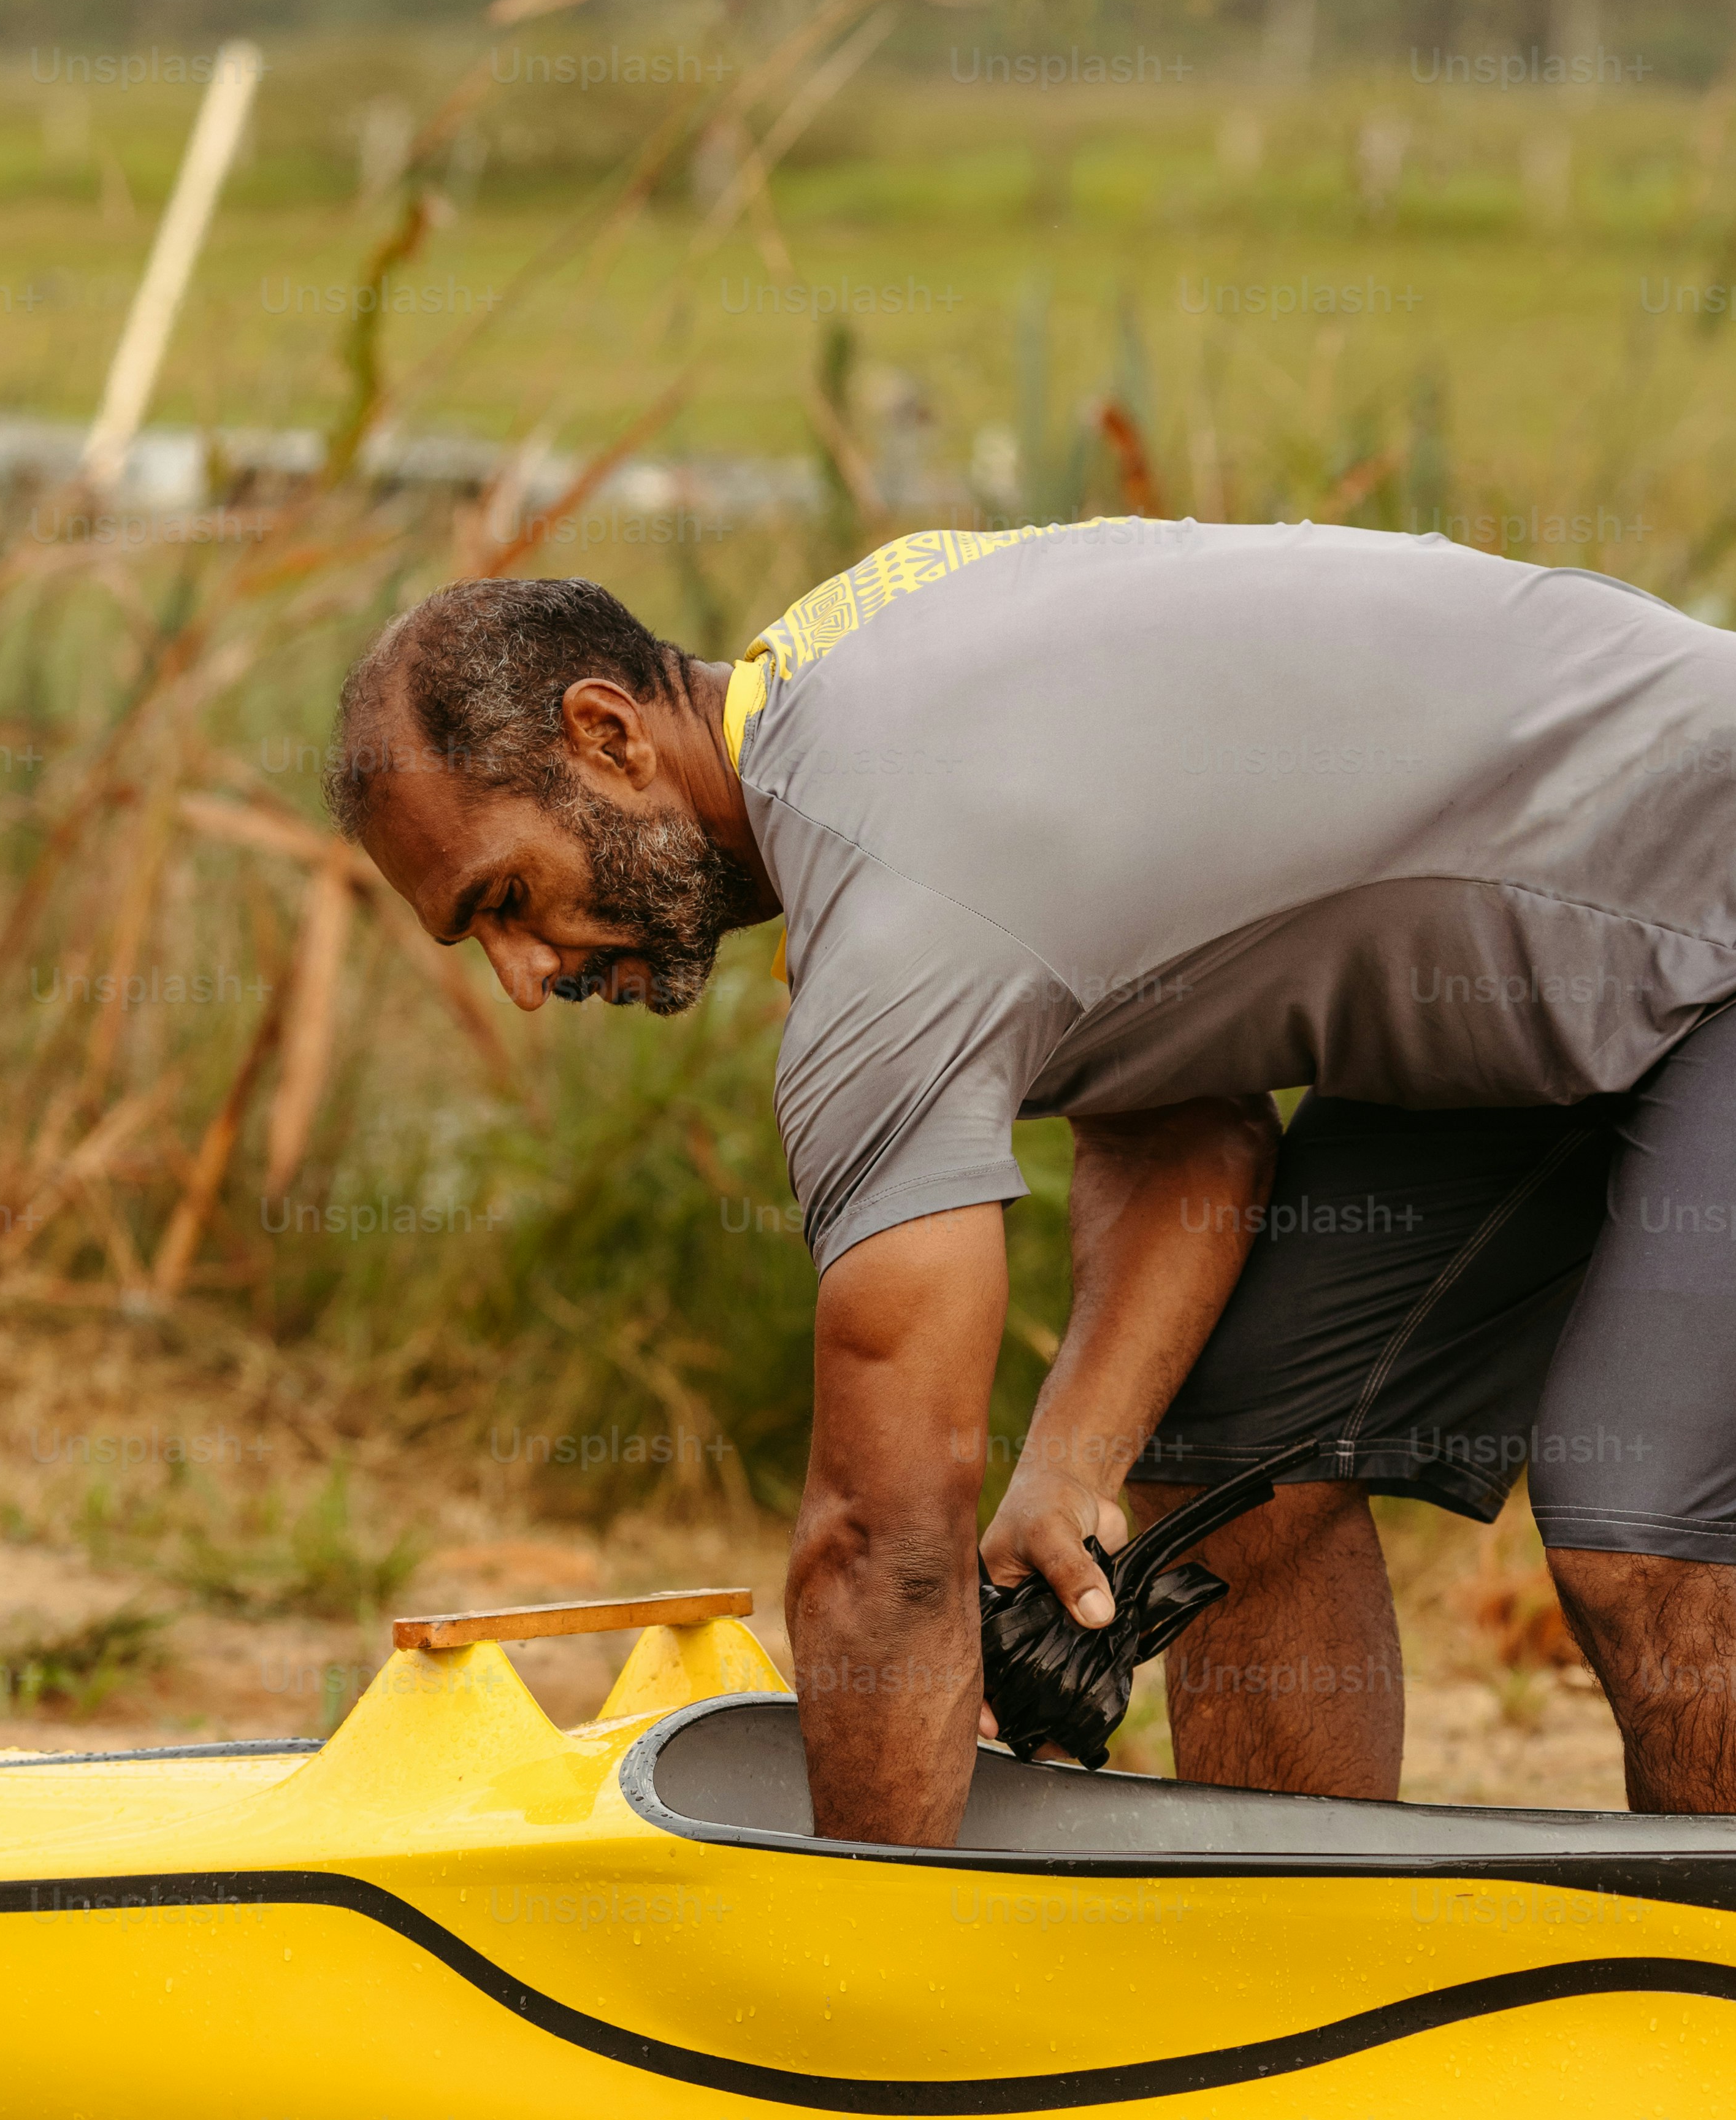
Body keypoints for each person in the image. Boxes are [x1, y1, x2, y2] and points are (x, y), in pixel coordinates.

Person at [329, 521, 1736, 1839]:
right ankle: (1294, 2007)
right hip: (1562, 967)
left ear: (605, 734)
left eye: (504, 902)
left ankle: (1692, 2032)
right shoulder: (836, 696)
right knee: (1231, 1484)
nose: (524, 979)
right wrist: (1074, 1457)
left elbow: (887, 1544)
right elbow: (1184, 1122)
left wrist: (867, 2005)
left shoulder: (894, 906)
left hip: (1701, 903)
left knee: (1642, 1535)